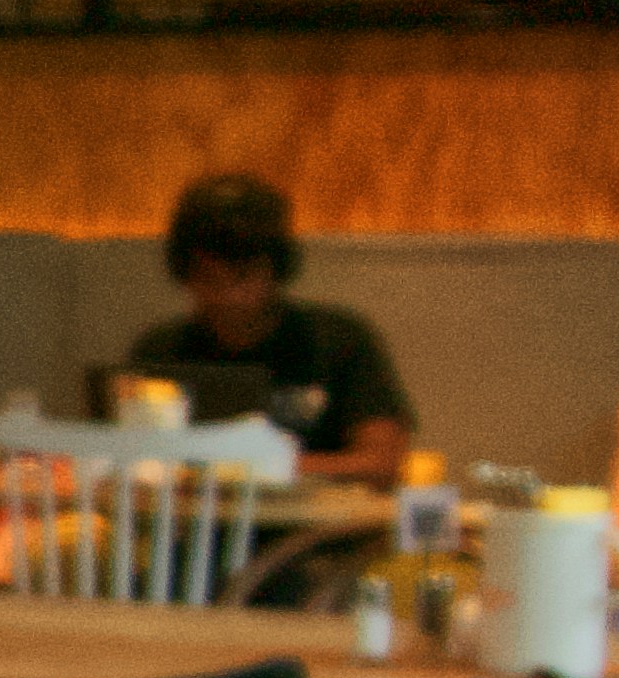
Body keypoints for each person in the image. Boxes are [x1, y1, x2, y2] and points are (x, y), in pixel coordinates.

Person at [125, 171, 415, 480]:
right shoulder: (160, 351)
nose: (228, 296)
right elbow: (132, 462)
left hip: (318, 524)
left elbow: (382, 464)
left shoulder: (337, 340)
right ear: (185, 274)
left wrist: (248, 470)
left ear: (276, 269)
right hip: (196, 525)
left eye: (243, 276)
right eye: (209, 278)